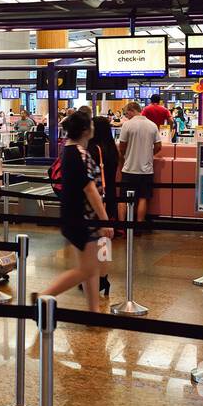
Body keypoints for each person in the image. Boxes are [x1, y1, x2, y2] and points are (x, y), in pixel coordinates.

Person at [41, 111, 114, 313]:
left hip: (75, 216)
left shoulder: (69, 150)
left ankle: (94, 311)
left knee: (89, 268)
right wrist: (105, 220)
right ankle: (43, 297)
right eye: (90, 124)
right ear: (84, 129)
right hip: (84, 219)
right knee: (87, 269)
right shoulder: (80, 155)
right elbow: (90, 190)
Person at [117, 101, 160, 231]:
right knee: (143, 198)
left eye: (126, 113)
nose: (126, 116)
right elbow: (158, 146)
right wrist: (148, 154)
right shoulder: (152, 125)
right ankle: (139, 226)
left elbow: (122, 145)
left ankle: (121, 226)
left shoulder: (127, 125)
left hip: (129, 168)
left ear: (131, 110)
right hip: (146, 170)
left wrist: (125, 156)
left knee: (123, 198)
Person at [87, 115, 118, 295]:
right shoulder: (112, 148)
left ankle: (92, 277)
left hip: (98, 198)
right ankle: (103, 278)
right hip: (110, 195)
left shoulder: (93, 149)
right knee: (104, 239)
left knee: (93, 239)